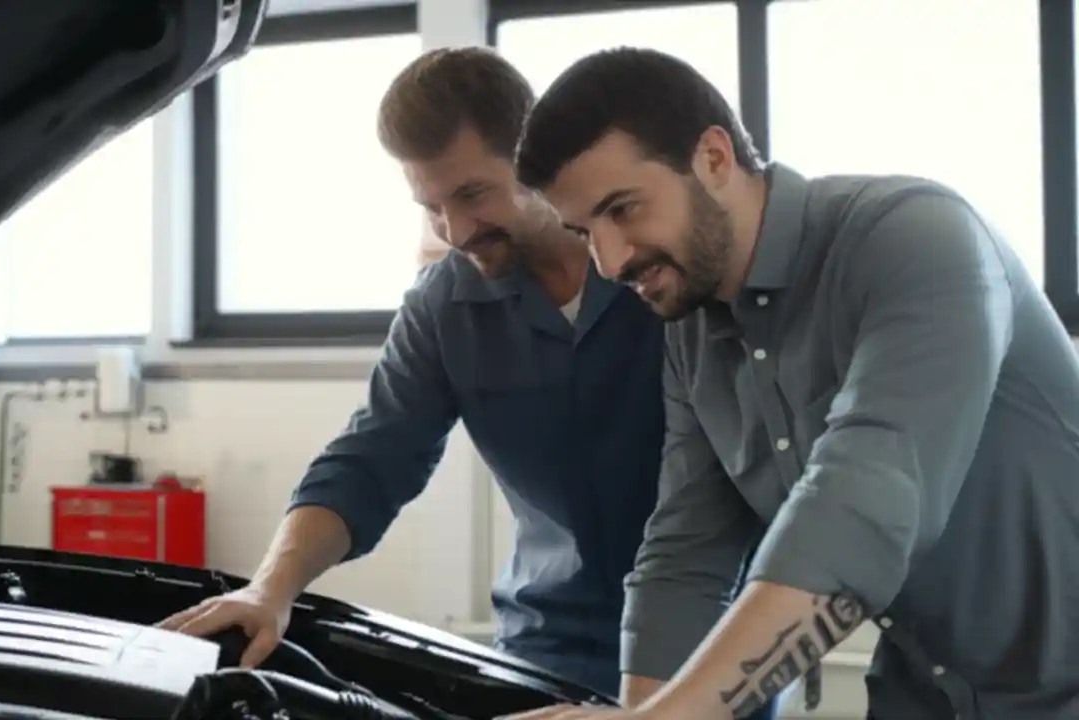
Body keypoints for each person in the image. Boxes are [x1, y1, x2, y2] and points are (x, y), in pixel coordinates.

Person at [503, 45, 1079, 720]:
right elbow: (686, 553)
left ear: (713, 158)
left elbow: (863, 502)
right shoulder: (692, 331)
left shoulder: (918, 237)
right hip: (926, 691)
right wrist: (640, 713)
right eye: (584, 232)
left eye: (624, 210)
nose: (609, 261)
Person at [156, 47, 671, 700]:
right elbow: (371, 460)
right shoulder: (443, 305)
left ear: (535, 157)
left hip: (702, 641)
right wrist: (269, 589)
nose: (455, 230)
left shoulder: (662, 273)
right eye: (431, 206)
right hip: (545, 651)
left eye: (472, 194)